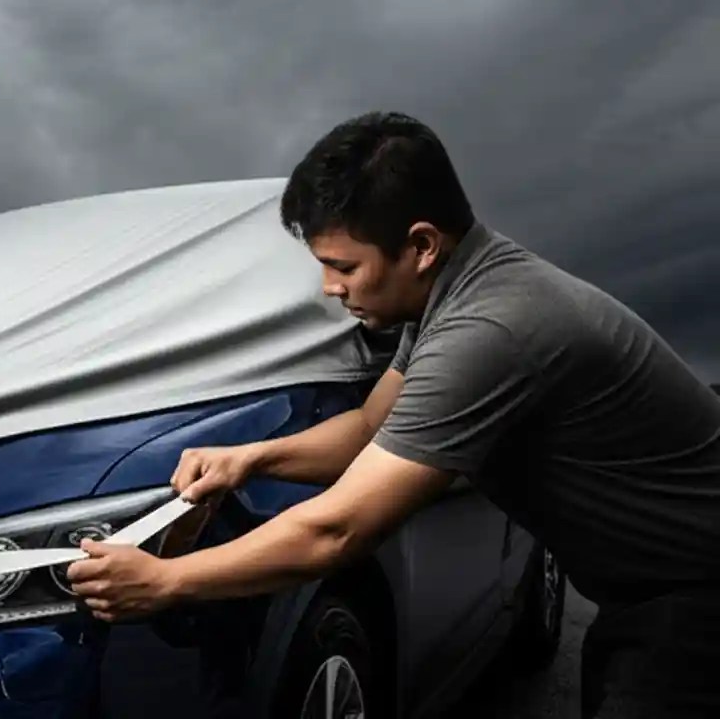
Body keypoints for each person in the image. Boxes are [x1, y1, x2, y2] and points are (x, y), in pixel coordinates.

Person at [66, 111, 720, 718]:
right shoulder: (444, 302)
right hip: (648, 590)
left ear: (422, 246)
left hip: (696, 592)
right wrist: (249, 459)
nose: (330, 286)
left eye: (343, 265)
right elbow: (368, 430)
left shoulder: (492, 327)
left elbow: (339, 532)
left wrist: (167, 581)